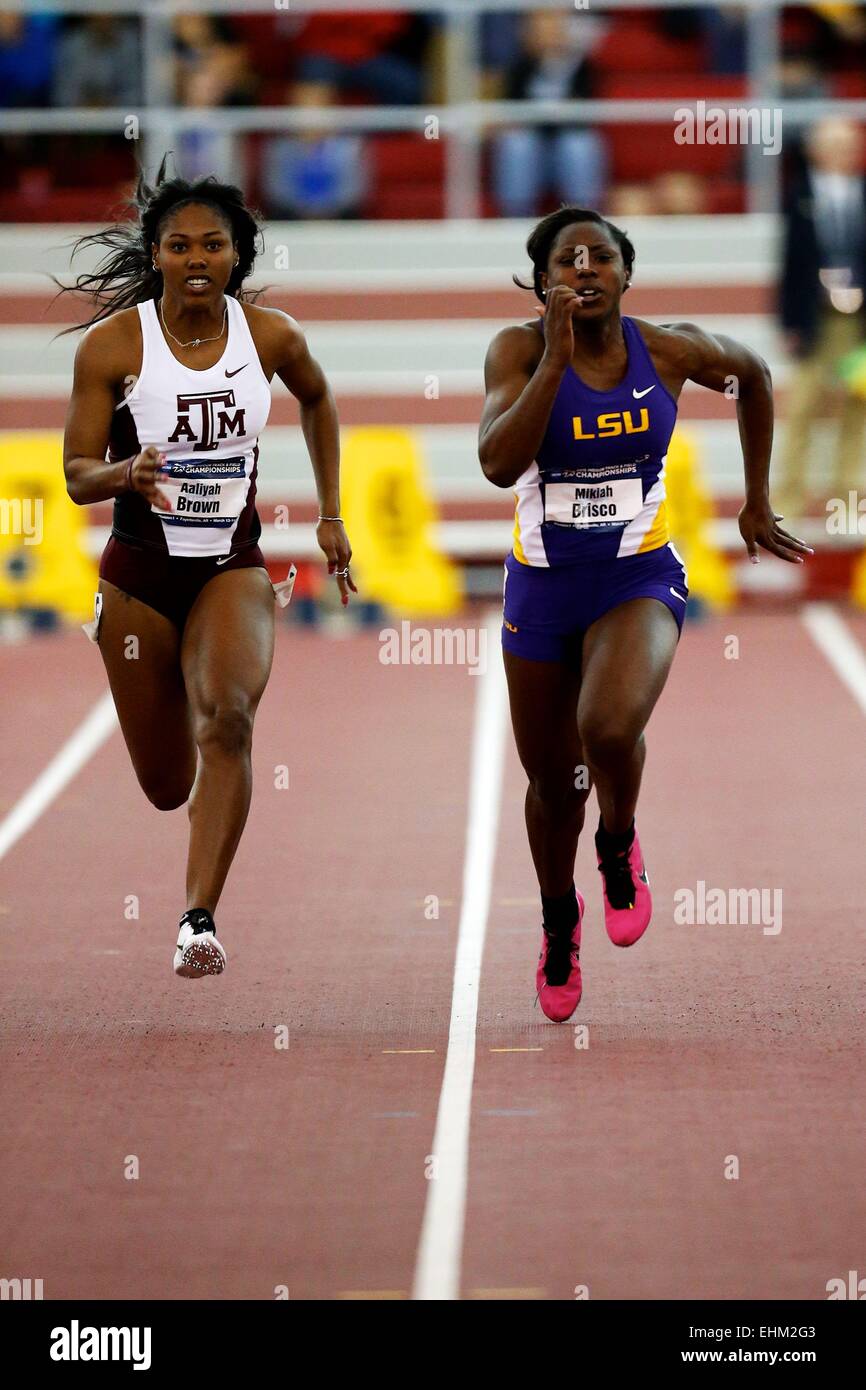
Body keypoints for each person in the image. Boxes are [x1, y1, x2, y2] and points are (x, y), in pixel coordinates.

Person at [478, 206, 811, 1022]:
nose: (584, 270)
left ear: (627, 275)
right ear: (541, 282)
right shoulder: (518, 352)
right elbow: (495, 463)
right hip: (544, 589)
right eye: (566, 261)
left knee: (611, 729)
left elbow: (757, 378)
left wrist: (756, 501)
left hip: (638, 575)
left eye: (601, 258)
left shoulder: (669, 349)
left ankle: (619, 841)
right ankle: (560, 921)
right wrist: (553, 363)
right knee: (553, 785)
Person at [58, 158, 355, 979]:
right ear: (155, 254)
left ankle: (198, 920)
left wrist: (331, 516)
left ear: (237, 257)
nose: (196, 259)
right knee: (164, 784)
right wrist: (125, 475)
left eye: (212, 246)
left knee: (228, 719)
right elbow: (75, 473)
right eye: (179, 245)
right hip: (138, 576)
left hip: (233, 565)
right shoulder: (114, 346)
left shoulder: (271, 337)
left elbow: (320, 399)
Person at [777, 117, 866, 519]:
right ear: (815, 150)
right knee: (803, 409)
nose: (842, 152)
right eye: (833, 145)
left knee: (857, 405)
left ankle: (848, 499)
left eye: (848, 144)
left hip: (857, 321)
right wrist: (789, 323)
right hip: (816, 319)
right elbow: (789, 263)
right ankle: (788, 500)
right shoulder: (799, 195)